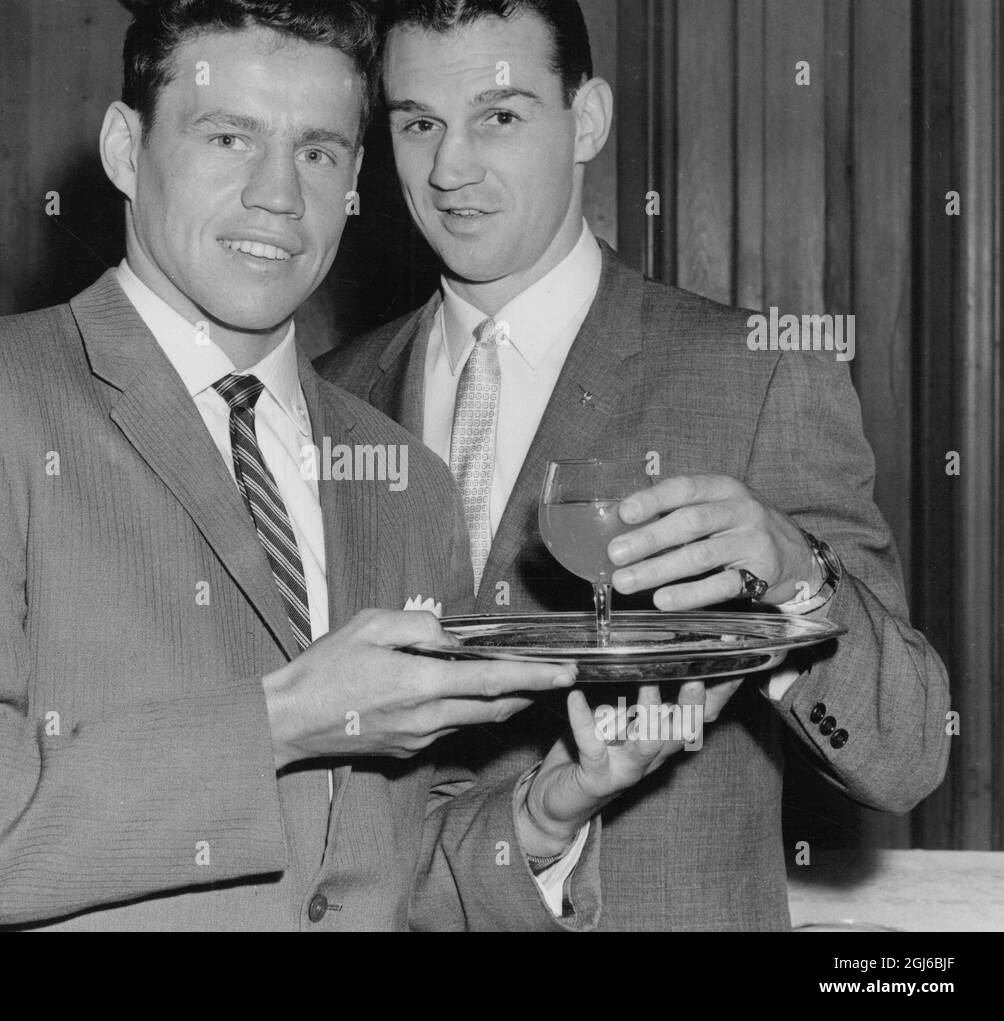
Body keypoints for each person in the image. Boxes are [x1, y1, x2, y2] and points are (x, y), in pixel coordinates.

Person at [0, 0, 698, 932]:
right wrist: (277, 719)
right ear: (122, 147)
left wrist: (540, 816)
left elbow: (383, 863)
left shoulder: (405, 478)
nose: (280, 193)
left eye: (318, 152)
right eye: (229, 137)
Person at [319, 0, 952, 930]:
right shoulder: (329, 395)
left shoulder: (756, 374)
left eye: (500, 115)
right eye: (419, 123)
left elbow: (905, 755)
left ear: (589, 120)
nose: (450, 168)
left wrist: (795, 580)